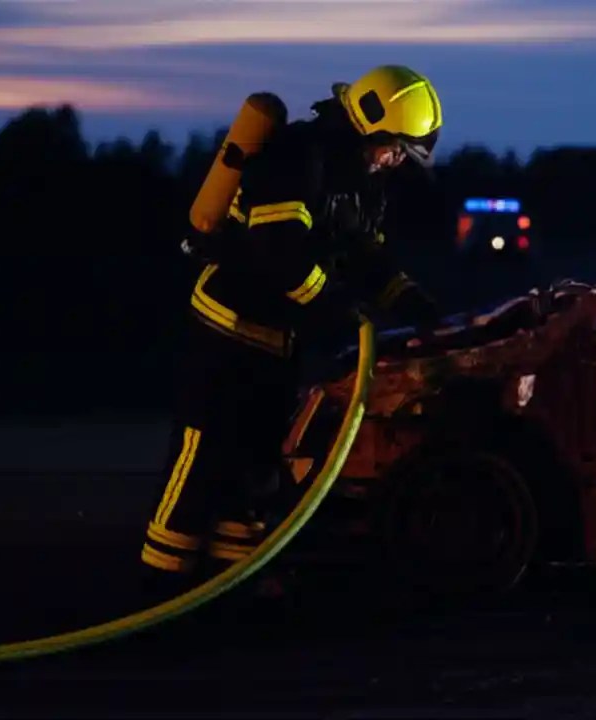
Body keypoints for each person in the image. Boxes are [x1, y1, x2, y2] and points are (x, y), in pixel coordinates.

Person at [139, 65, 444, 601]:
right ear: (371, 129)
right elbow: (280, 256)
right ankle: (159, 593)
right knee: (203, 462)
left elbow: (362, 252)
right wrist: (340, 310)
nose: (397, 161)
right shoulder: (299, 157)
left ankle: (231, 588)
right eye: (396, 148)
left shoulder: (359, 181)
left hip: (277, 344)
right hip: (226, 332)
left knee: (256, 472)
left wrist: (407, 298)